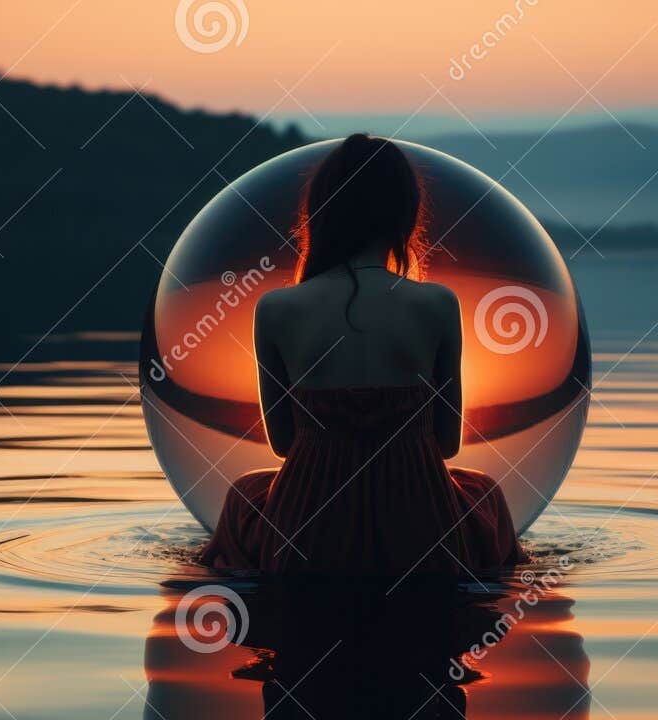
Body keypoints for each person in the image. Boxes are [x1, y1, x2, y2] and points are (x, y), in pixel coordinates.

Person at [201, 134, 526, 577]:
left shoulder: (276, 309)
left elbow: (283, 445)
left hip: (306, 534)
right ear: (404, 216)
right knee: (485, 494)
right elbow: (447, 444)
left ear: (321, 213)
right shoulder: (437, 304)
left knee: (243, 496)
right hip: (421, 533)